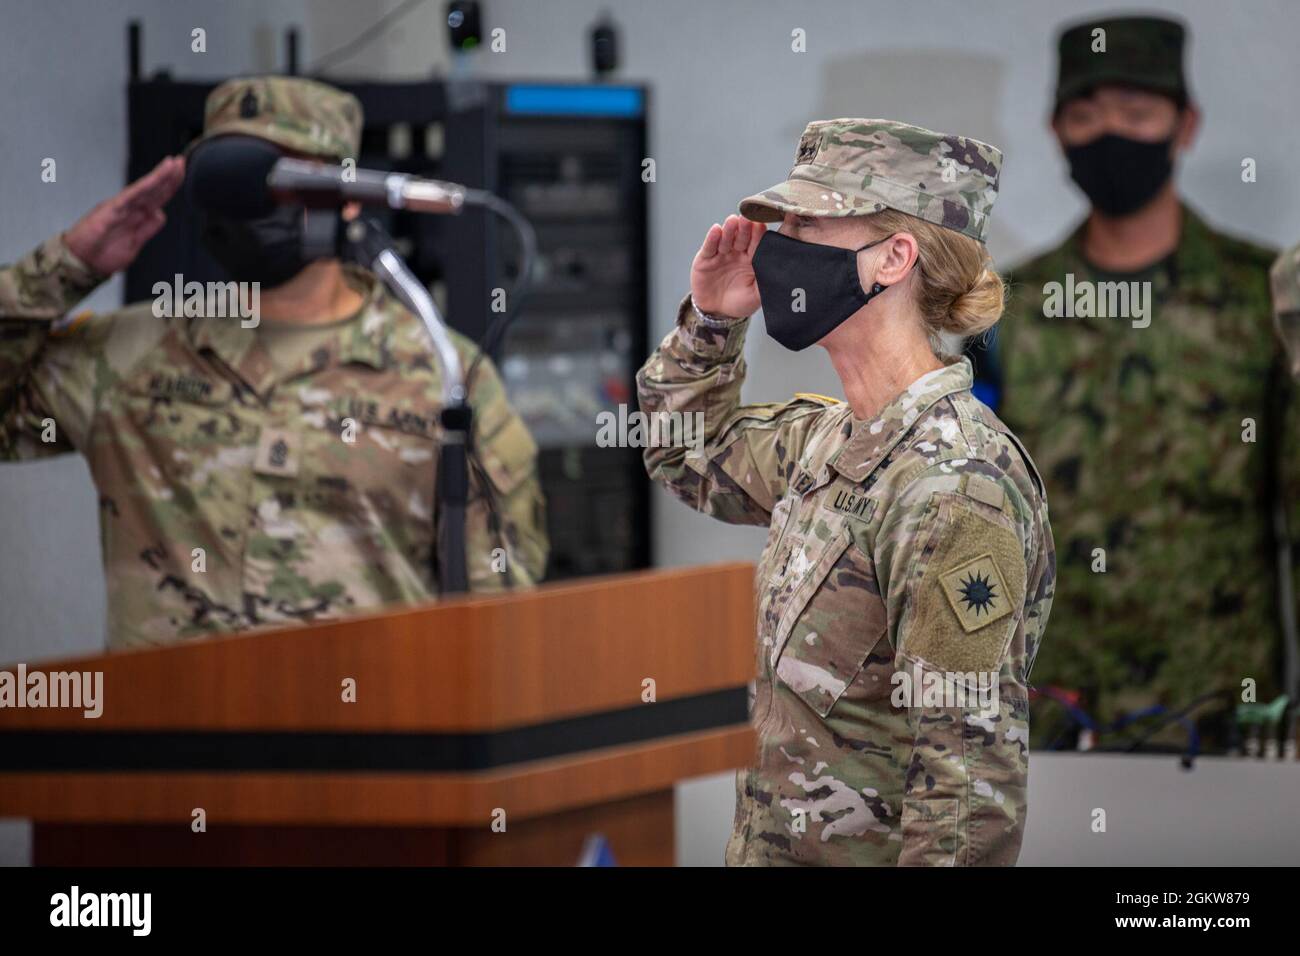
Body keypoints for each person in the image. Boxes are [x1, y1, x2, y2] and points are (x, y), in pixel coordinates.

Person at [0, 76, 547, 650]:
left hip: (370, 727)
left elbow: (500, 612)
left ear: (348, 192)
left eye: (282, 179)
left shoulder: (444, 375)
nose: (253, 203)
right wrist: (66, 266)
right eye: (233, 183)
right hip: (170, 732)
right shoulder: (124, 357)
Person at [638, 119, 1054, 866]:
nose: (779, 245)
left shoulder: (956, 484)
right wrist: (711, 322)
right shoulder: (831, 440)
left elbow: (966, 791)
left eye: (807, 221)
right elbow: (685, 457)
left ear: (895, 258)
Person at [986, 16, 1292, 748]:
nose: (1110, 133)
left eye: (1137, 112)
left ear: (1184, 126)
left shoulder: (1266, 298)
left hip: (1222, 705)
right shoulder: (1006, 310)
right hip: (1051, 710)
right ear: (1056, 131)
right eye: (1086, 115)